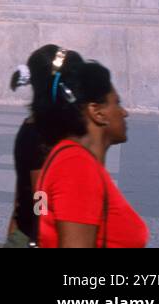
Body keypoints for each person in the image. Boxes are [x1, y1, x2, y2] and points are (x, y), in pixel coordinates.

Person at [33, 49, 148, 248]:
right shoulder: (77, 167)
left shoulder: (65, 157)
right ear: (97, 112)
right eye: (117, 103)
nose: (124, 112)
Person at [4, 44, 61, 247]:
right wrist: (40, 239)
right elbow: (40, 196)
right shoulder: (40, 133)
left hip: (23, 233)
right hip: (33, 238)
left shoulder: (38, 126)